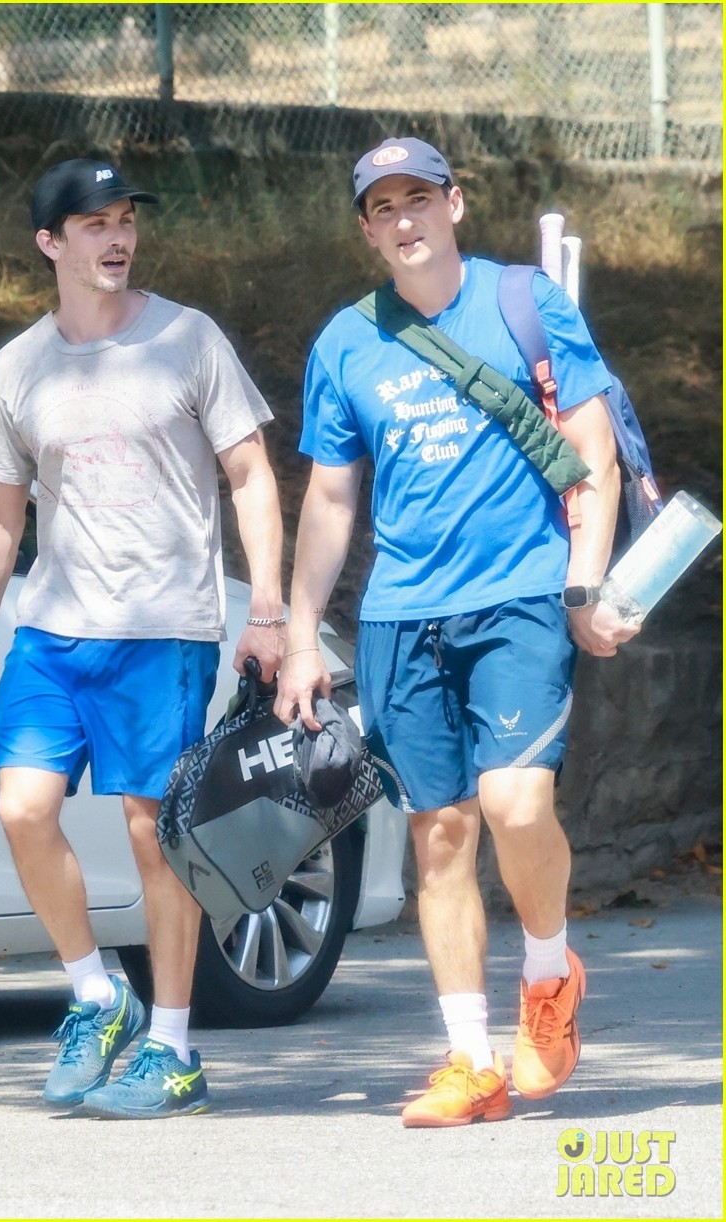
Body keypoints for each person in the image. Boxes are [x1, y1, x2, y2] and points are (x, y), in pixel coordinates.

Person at [274, 137, 640, 1127]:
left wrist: (584, 583)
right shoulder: (346, 342)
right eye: (383, 207)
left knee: (516, 805)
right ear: (367, 228)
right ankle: (471, 1062)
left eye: (420, 199)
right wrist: (302, 632)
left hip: (520, 596)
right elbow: (332, 500)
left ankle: (550, 973)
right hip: (401, 614)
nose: (405, 220)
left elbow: (593, 452)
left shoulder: (525, 301)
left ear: (455, 203)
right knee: (438, 835)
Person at [0, 157, 284, 1120]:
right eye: (94, 223)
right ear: (50, 242)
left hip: (162, 631)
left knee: (154, 833)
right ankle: (98, 996)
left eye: (126, 219)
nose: (117, 237)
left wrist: (266, 610)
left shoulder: (188, 339)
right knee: (23, 808)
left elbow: (252, 475)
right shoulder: (20, 367)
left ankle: (172, 1050)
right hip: (54, 632)